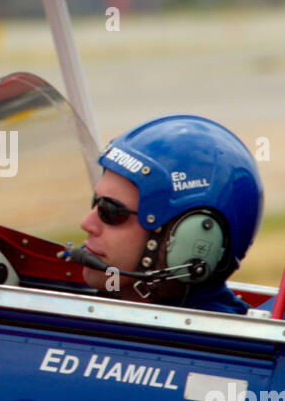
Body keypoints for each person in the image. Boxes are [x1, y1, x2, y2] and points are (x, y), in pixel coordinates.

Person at [73, 115, 262, 314]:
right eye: (96, 201)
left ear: (191, 238)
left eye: (110, 211)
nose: (86, 223)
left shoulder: (211, 343)